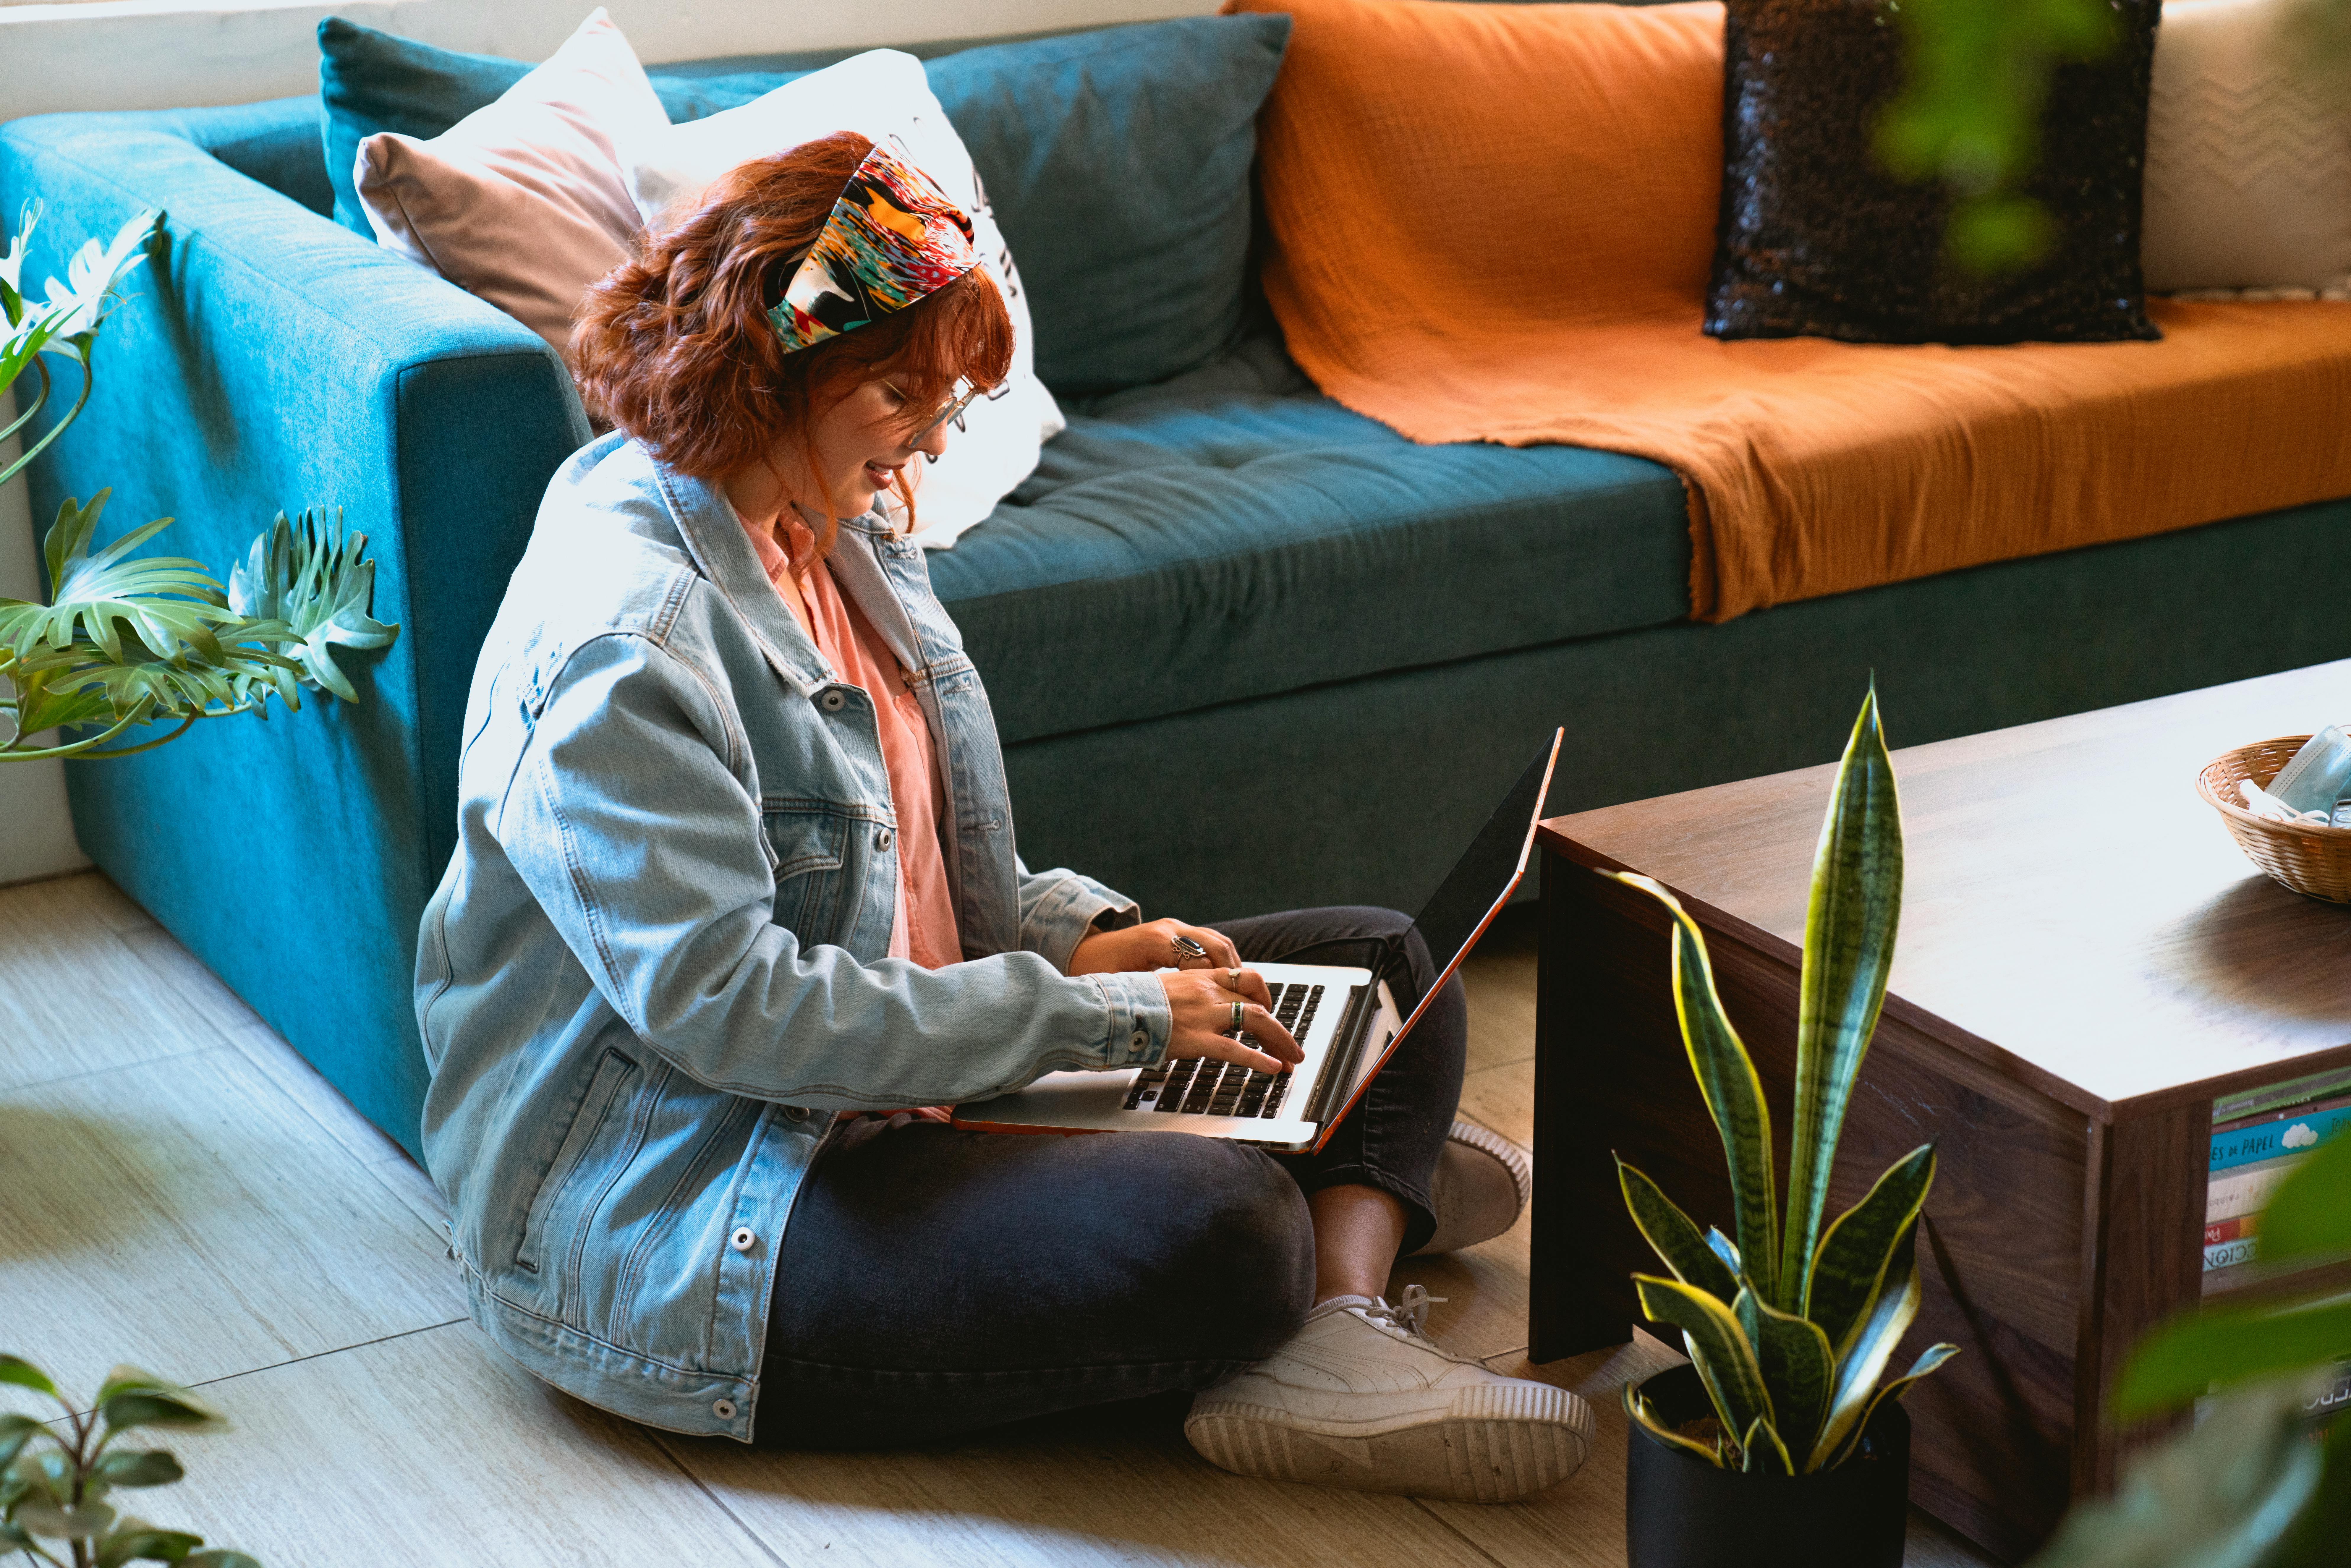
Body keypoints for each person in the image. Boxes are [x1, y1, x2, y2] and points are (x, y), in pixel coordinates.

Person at [414, 131, 1591, 1502]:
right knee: (1220, 1227)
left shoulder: (834, 520)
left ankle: (1334, 1315)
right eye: (899, 392)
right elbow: (737, 1017)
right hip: (720, 1186)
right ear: (771, 363)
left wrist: (1089, 941)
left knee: (1385, 957)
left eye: (946, 400)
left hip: (918, 1065)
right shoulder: (631, 644)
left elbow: (904, 860)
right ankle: (1333, 1197)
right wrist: (1097, 1021)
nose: (927, 438)